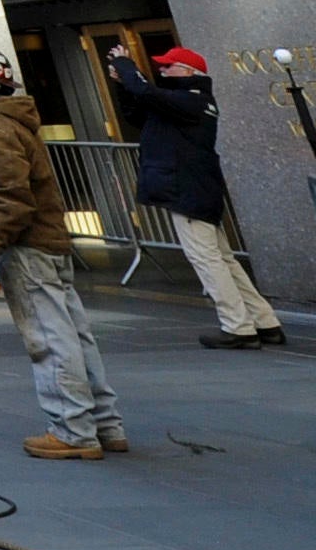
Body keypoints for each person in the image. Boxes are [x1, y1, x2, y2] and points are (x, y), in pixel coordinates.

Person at [0, 45, 121, 460]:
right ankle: (105, 424)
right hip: (46, 240)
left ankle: (73, 430)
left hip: (26, 245)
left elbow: (10, 194)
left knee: (48, 337)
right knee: (76, 334)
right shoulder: (7, 122)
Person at [105, 45, 283, 348]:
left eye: (168, 66)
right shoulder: (189, 102)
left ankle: (237, 326)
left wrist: (124, 65)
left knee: (207, 260)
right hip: (196, 187)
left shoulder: (190, 100)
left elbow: (146, 94)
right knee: (224, 259)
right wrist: (124, 84)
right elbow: (138, 112)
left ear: (189, 72)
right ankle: (265, 321)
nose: (162, 71)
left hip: (185, 189)